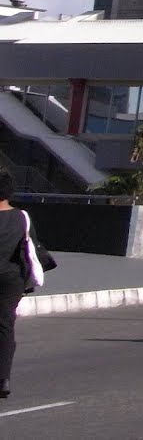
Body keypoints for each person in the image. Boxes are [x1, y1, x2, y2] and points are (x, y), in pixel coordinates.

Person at [0, 167, 41, 399]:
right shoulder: (22, 217)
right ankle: (3, 378)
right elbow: (30, 248)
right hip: (11, 280)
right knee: (5, 326)